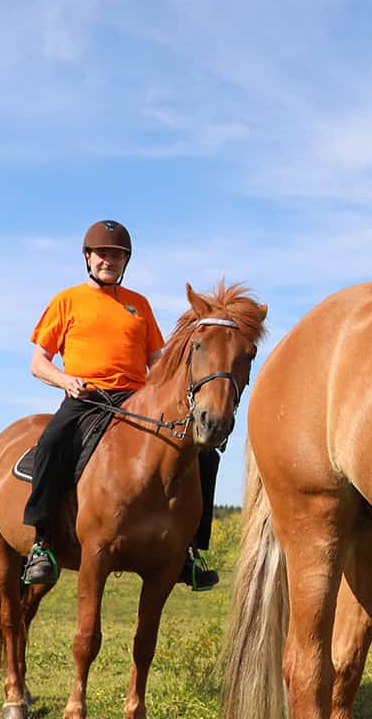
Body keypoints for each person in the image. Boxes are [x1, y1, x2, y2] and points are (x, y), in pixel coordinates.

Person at [20, 219, 221, 590]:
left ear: (125, 261)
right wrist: (65, 381)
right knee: (51, 444)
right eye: (102, 254)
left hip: (134, 401)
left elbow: (158, 362)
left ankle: (191, 551)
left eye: (116, 255)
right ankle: (41, 544)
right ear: (87, 257)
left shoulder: (138, 305)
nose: (108, 260)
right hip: (86, 398)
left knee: (203, 453)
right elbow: (38, 362)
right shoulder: (67, 301)